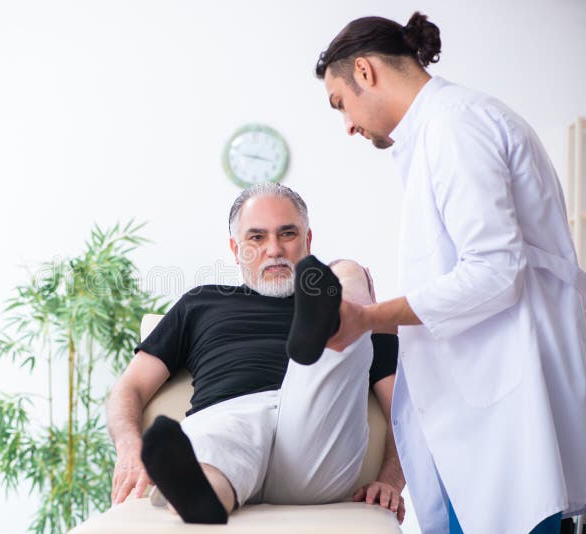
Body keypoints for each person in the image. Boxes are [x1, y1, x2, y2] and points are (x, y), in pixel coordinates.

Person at [315, 12, 586, 534]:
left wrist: (369, 318)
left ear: (365, 72)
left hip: (506, 408)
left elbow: (495, 271)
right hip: (480, 409)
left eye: (340, 103)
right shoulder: (434, 133)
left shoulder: (456, 126)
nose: (346, 124)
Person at [107, 183, 406, 524]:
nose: (274, 249)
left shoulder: (357, 310)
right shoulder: (200, 302)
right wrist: (129, 447)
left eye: (288, 234)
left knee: (348, 291)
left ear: (308, 241)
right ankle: (201, 495)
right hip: (228, 419)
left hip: (314, 439)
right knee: (221, 440)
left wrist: (391, 480)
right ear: (236, 249)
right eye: (257, 238)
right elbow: (129, 387)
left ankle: (330, 324)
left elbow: (400, 407)